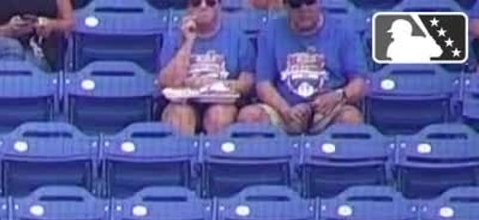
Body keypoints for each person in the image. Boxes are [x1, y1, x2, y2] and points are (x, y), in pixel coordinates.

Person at [237, 0, 366, 134]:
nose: (304, 9)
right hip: (285, 107)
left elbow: (359, 82)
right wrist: (285, 109)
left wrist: (339, 96)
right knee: (249, 116)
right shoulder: (271, 31)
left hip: (329, 107)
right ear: (285, 6)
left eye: (309, 2)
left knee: (350, 118)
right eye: (296, 4)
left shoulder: (343, 31)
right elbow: (263, 84)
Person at [156, 0, 255, 135]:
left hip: (222, 103)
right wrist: (188, 41)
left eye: (210, 2)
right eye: (196, 3)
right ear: (189, 9)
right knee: (179, 116)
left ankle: (217, 155)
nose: (203, 6)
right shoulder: (174, 38)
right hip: (183, 102)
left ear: (219, 6)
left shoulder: (238, 38)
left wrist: (217, 85)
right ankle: (183, 155)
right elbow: (167, 82)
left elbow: (247, 82)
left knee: (219, 115)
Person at [0, 0, 74, 71]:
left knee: (33, 66)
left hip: (33, 48)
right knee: (12, 47)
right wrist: (6, 31)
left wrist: (50, 24)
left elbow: (69, 23)